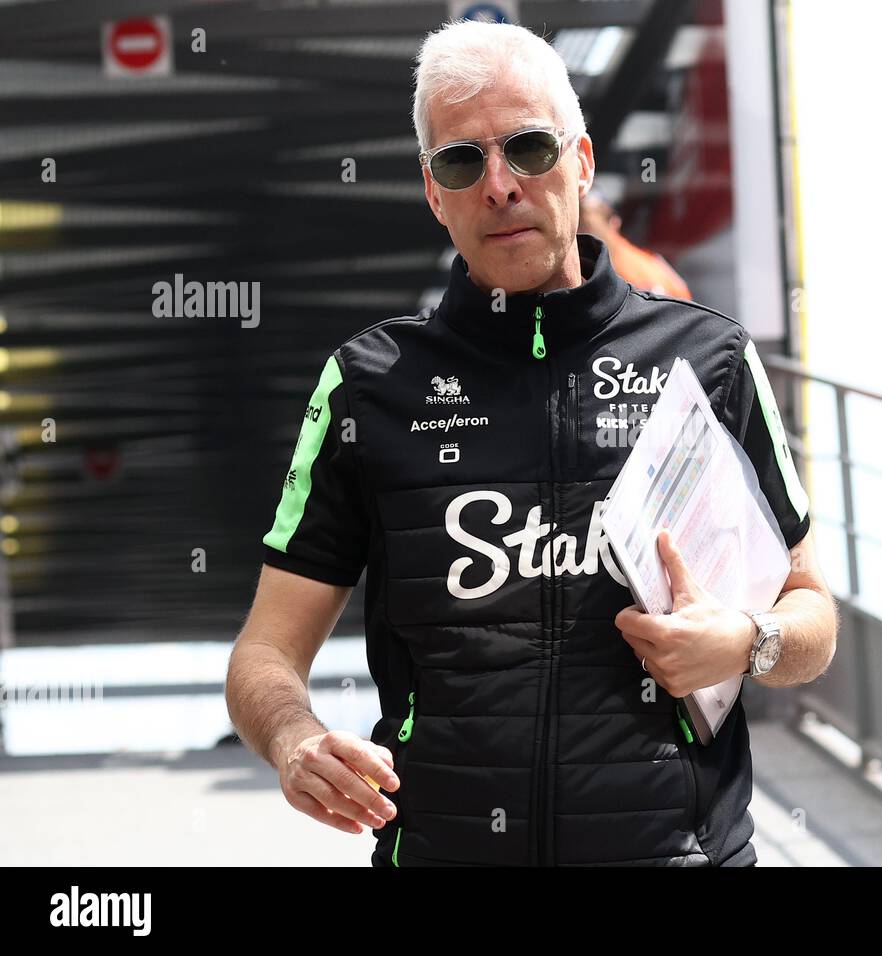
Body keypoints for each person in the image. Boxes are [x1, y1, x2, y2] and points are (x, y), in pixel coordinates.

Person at [225, 17, 837, 867]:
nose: (500, 184)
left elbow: (813, 616)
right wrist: (294, 740)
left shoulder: (712, 361)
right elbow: (264, 652)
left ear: (581, 161)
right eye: (462, 161)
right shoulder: (368, 385)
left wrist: (743, 641)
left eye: (529, 148)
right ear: (433, 193)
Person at [578, 188, 693, 298]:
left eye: (587, 225)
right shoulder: (654, 265)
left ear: (614, 223)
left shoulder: (651, 268)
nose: (582, 234)